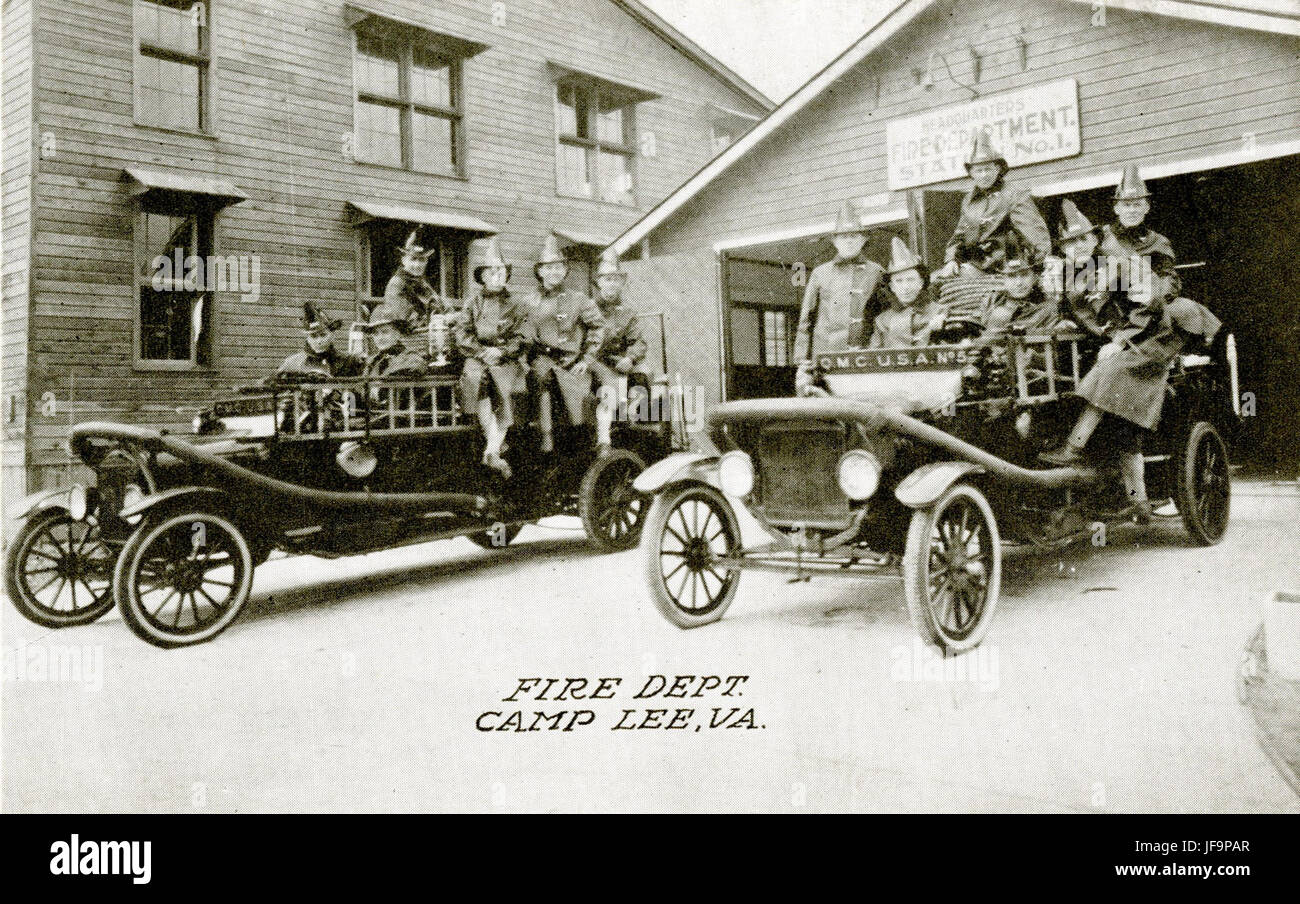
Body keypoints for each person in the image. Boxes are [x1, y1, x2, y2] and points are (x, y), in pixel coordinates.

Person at [1039, 273, 1221, 520]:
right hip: (1120, 365)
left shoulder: (1161, 300)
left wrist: (1120, 341)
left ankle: (1080, 452)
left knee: (1122, 424)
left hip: (1141, 363)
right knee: (1121, 432)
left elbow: (1149, 317)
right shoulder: (1086, 281)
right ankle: (1138, 502)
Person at [455, 237, 529, 478]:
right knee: (477, 382)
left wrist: (503, 351)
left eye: (501, 272)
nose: (497, 276)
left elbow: (523, 336)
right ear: (483, 277)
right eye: (491, 272)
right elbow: (462, 333)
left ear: (506, 276)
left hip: (507, 359)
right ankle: (495, 444)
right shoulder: (472, 303)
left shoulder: (517, 304)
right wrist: (481, 352)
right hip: (478, 356)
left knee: (506, 390)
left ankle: (492, 448)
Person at [525, 234, 606, 454]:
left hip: (574, 360)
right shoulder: (529, 301)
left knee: (595, 384)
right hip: (544, 359)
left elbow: (597, 327)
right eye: (549, 268)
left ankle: (595, 439)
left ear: (565, 270)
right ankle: (546, 436)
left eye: (559, 267)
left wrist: (587, 358)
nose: (555, 272)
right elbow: (523, 334)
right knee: (542, 377)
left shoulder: (579, 298)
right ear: (540, 271)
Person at [935, 130, 1052, 279]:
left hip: (1009, 266)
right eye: (979, 170)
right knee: (939, 280)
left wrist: (1045, 265)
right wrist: (951, 260)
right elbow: (959, 236)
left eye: (988, 169)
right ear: (971, 173)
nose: (984, 175)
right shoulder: (969, 201)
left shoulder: (1014, 195)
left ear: (997, 169)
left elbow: (1034, 233)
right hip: (976, 265)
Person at [794, 199, 888, 366]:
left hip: (866, 354)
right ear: (835, 241)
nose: (849, 241)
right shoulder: (820, 273)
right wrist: (801, 358)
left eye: (854, 236)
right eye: (844, 237)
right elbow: (806, 318)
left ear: (863, 240)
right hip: (826, 354)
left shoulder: (876, 272)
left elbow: (886, 314)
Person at [589, 249, 649, 458]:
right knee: (609, 386)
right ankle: (603, 438)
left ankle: (633, 422)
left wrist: (630, 357)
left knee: (644, 373)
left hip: (619, 361)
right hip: (594, 359)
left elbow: (639, 341)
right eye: (607, 279)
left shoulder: (628, 313)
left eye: (615, 279)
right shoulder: (587, 308)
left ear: (621, 283)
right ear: (599, 283)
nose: (611, 284)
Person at [1048, 199, 1126, 340]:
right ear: (1062, 248)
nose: (1079, 246)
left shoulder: (1114, 265)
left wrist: (1118, 342)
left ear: (1095, 240)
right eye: (1071, 241)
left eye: (1083, 239)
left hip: (1125, 340)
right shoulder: (1062, 276)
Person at [1099, 163, 1178, 293]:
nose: (1132, 210)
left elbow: (1167, 278)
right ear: (1116, 209)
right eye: (1126, 205)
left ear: (1146, 208)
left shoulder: (1158, 242)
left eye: (1137, 205)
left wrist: (1157, 301)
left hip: (1145, 304)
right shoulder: (1102, 237)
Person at [868, 238, 944, 348]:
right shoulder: (882, 321)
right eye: (899, 281)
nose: (905, 287)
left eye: (910, 280)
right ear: (892, 287)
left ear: (921, 283)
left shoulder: (939, 312)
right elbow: (873, 358)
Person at [380, 228, 448, 331]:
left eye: (422, 260)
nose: (417, 265)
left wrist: (450, 316)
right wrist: (439, 322)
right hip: (407, 340)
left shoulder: (423, 283)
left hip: (425, 336)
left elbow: (442, 306)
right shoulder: (397, 284)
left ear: (426, 262)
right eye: (413, 259)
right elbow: (406, 320)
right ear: (403, 260)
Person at [276, 302, 363, 380]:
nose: (319, 341)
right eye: (313, 336)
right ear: (308, 338)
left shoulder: (347, 363)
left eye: (323, 335)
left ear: (332, 335)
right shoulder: (293, 364)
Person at [981, 257, 1061, 337]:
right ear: (1003, 279)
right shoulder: (991, 301)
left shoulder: (1049, 307)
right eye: (1011, 276)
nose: (1019, 283)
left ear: (1034, 277)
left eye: (1024, 275)